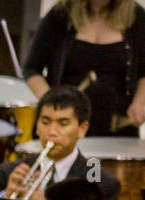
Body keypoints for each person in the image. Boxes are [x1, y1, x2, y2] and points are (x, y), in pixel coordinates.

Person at [0, 86, 121, 200]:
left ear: (82, 129)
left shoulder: (100, 184)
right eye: (45, 122)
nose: (52, 132)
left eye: (63, 123)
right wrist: (5, 199)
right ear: (36, 127)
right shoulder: (8, 172)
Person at [23, 0, 145, 137]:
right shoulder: (61, 14)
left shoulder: (136, 16)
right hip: (66, 127)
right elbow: (31, 68)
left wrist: (139, 103)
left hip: (117, 129)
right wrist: (53, 103)